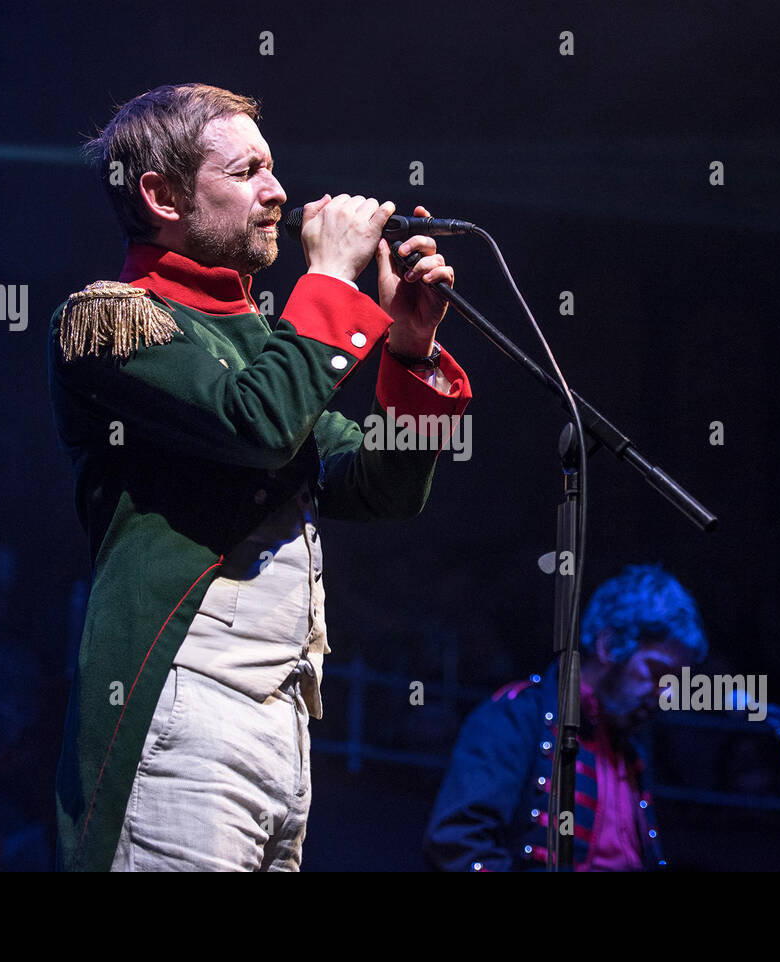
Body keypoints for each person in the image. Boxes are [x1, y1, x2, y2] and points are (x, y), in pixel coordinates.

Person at [49, 83, 471, 871]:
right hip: (184, 703)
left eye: (272, 169)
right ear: (162, 194)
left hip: (283, 722)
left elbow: (377, 488)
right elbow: (259, 426)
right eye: (247, 172)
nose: (278, 193)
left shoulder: (267, 349)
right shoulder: (110, 321)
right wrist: (333, 285)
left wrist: (409, 352)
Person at [424, 564, 706, 871]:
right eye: (658, 672)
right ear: (610, 645)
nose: (666, 695)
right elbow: (456, 844)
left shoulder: (629, 753)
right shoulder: (518, 715)